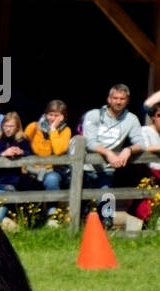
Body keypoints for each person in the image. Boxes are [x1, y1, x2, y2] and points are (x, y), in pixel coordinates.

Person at [81, 83, 146, 214]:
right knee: (81, 206)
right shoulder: (93, 115)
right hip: (84, 168)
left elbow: (141, 143)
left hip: (107, 169)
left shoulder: (131, 119)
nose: (118, 101)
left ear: (127, 101)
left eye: (122, 99)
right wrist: (108, 153)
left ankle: (108, 230)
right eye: (115, 98)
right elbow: (90, 142)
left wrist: (128, 150)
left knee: (107, 207)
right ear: (109, 99)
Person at [23, 99, 72, 226]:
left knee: (52, 179)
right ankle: (30, 217)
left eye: (57, 115)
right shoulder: (33, 127)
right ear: (45, 114)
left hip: (54, 169)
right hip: (33, 168)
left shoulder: (65, 131)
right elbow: (22, 143)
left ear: (63, 117)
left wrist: (53, 129)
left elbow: (59, 150)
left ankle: (52, 215)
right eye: (51, 114)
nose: (53, 118)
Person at [0, 111, 32, 230]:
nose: (8, 129)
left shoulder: (23, 141)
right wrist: (3, 154)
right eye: (5, 126)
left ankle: (3, 226)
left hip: (9, 184)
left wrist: (21, 153)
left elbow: (31, 155)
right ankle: (8, 224)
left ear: (17, 127)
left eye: (11, 126)